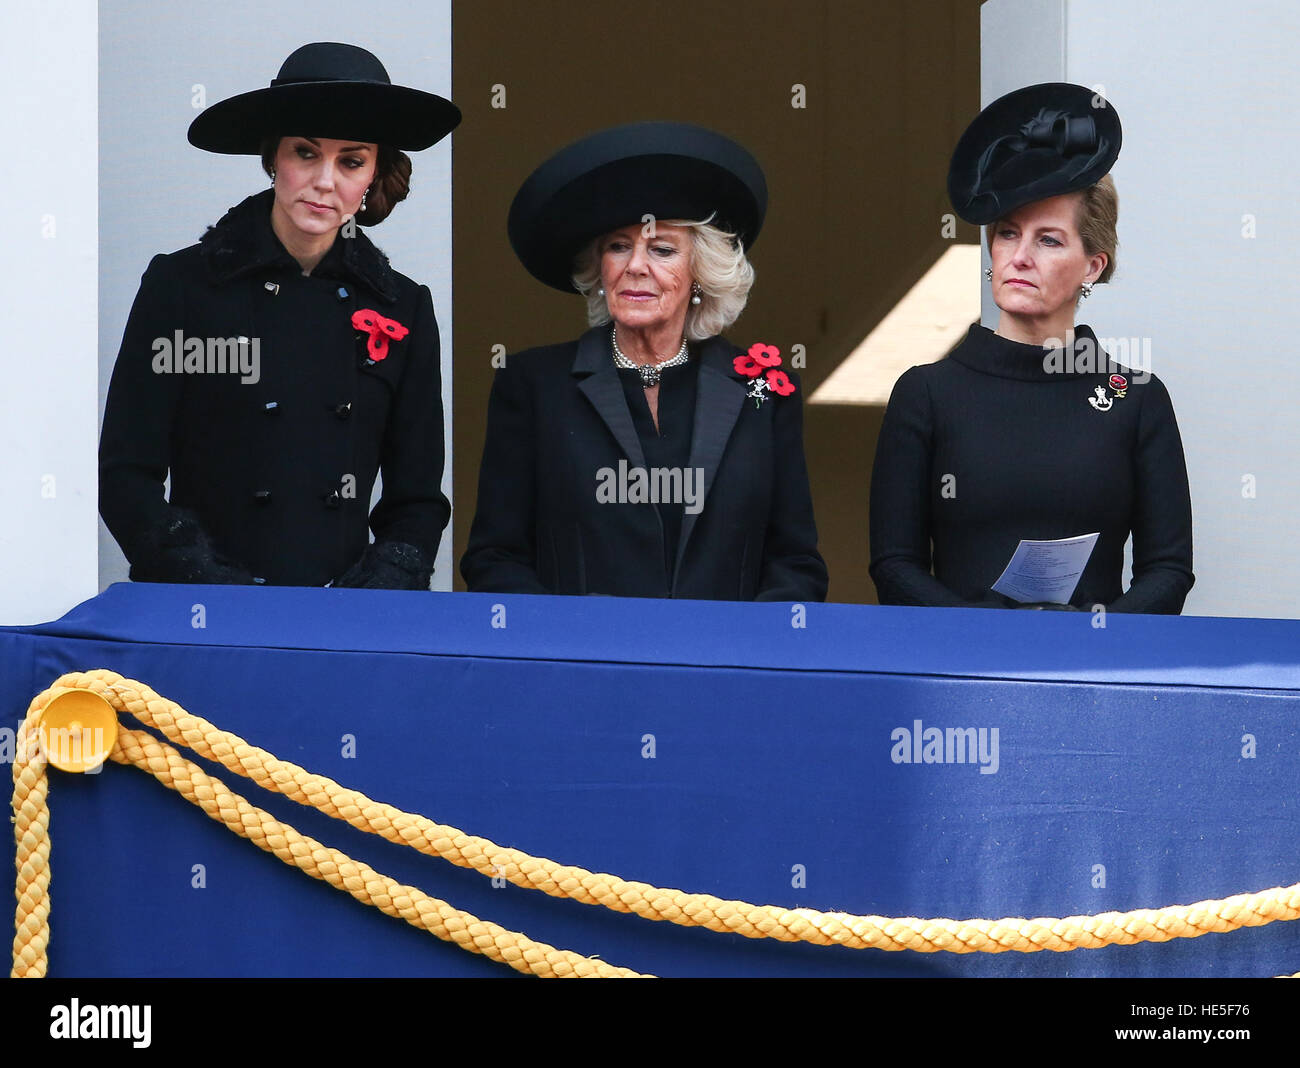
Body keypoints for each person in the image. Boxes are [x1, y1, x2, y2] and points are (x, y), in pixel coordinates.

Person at [99, 42, 460, 588]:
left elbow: (417, 502)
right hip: (202, 614)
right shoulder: (181, 287)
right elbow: (127, 477)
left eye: (352, 161)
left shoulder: (403, 307)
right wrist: (212, 588)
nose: (325, 181)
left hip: (340, 624)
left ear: (371, 178)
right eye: (306, 153)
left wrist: (368, 599)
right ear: (273, 159)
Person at [461, 122, 827, 600]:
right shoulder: (533, 385)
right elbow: (496, 558)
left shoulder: (762, 390)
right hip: (583, 664)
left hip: (723, 666)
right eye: (618, 246)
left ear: (700, 273)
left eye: (662, 248)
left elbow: (795, 563)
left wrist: (744, 651)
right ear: (600, 269)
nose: (636, 265)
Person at [869, 83, 1193, 612]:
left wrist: (1092, 636)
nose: (1019, 256)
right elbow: (894, 565)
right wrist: (989, 635)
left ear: (1093, 265)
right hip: (960, 673)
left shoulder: (1136, 399)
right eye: (1006, 233)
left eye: (1048, 239)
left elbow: (1170, 571)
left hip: (1093, 675)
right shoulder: (926, 393)